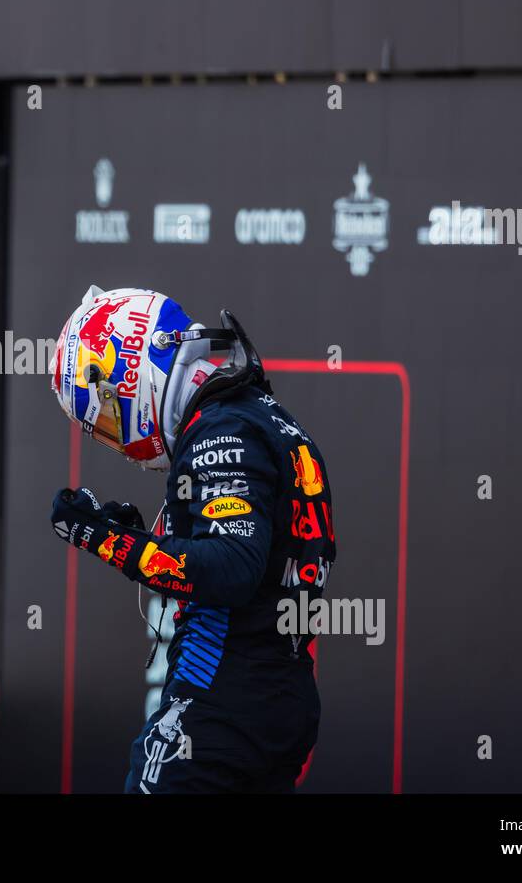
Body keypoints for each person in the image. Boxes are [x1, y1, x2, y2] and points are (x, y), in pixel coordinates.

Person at [48, 286, 338, 793]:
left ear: (130, 372)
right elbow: (253, 559)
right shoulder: (263, 416)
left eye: (110, 416)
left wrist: (107, 542)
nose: (119, 441)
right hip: (275, 697)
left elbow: (230, 568)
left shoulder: (221, 428)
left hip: (219, 703)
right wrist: (139, 536)